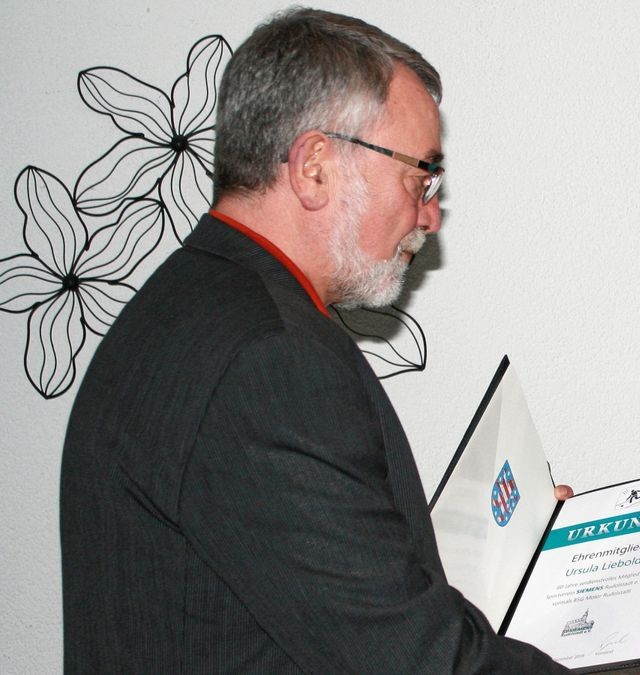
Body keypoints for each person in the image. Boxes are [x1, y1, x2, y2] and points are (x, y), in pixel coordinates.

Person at [60, 8, 568, 673]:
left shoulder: (189, 302)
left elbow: (312, 583)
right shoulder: (270, 360)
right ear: (315, 168)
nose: (430, 214)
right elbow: (415, 660)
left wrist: (501, 553)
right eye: (420, 177)